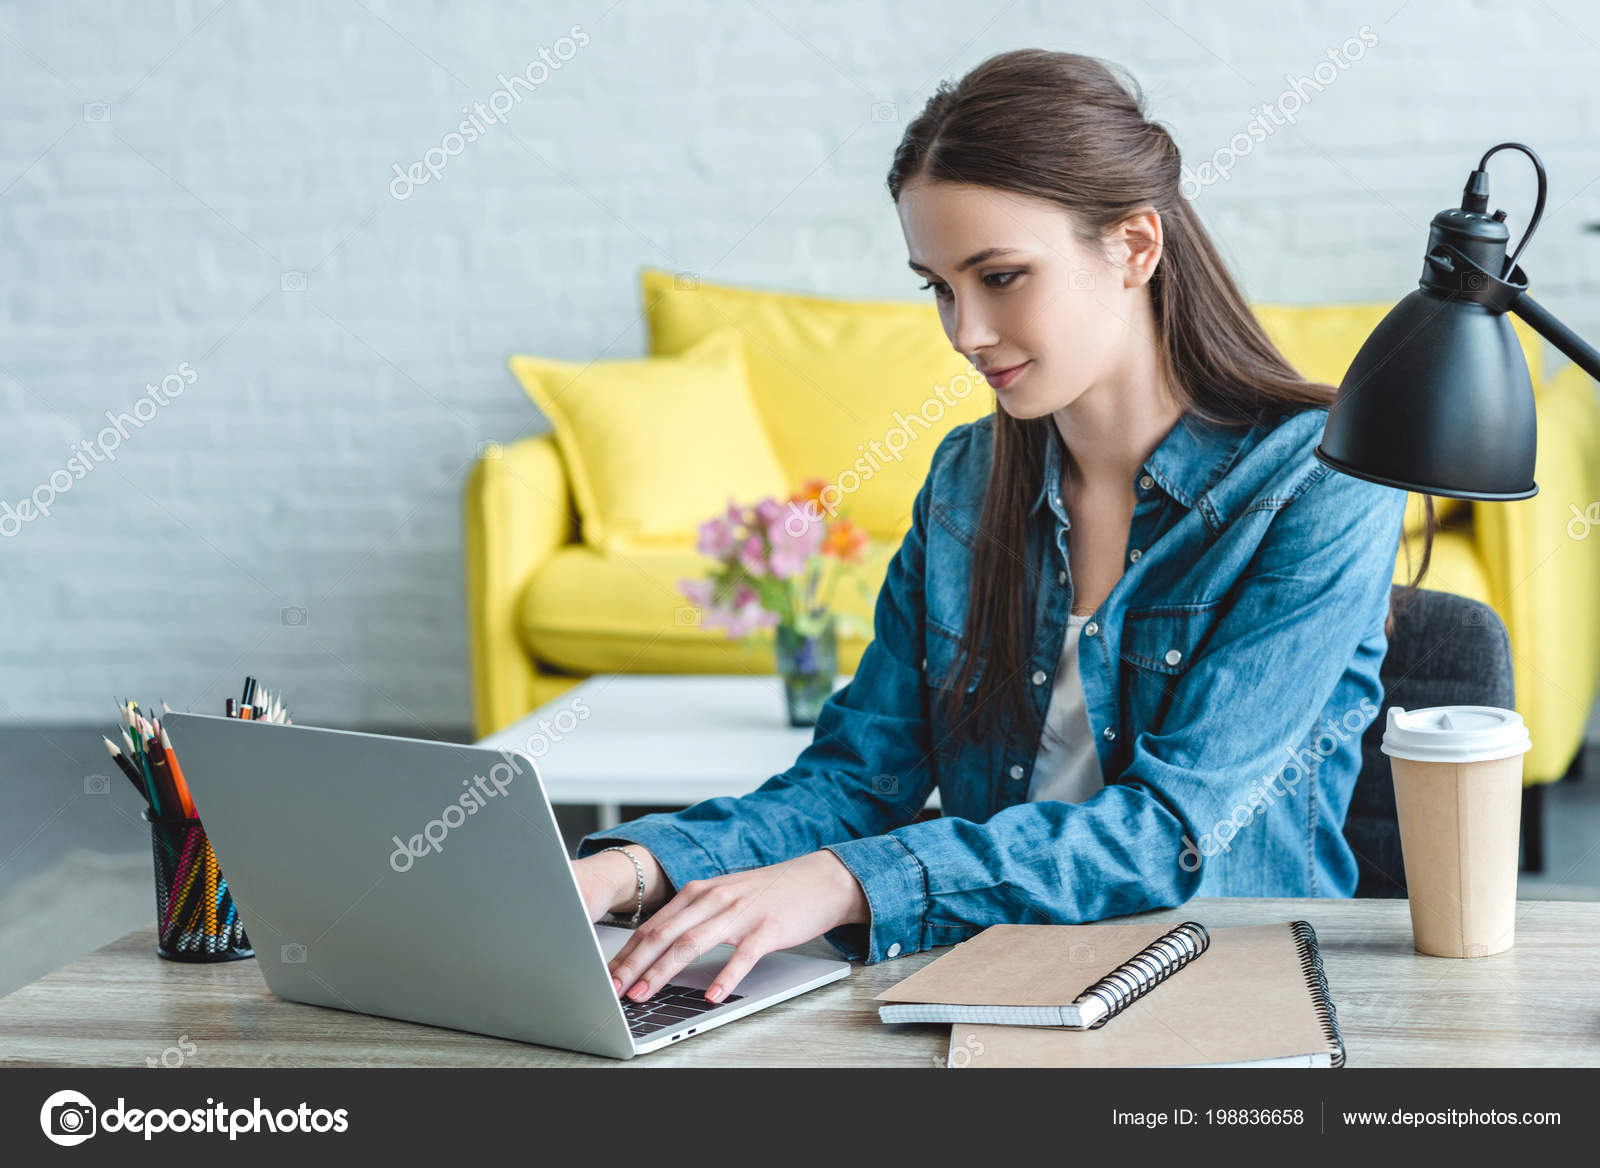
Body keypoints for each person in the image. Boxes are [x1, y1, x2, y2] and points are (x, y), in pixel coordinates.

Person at [569, 49, 1429, 1008]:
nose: (965, 331)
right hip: (988, 978)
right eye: (938, 287)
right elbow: (858, 777)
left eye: (1002, 276)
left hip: (1223, 989)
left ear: (1136, 246)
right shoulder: (966, 483)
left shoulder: (1316, 481)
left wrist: (847, 882)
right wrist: (628, 871)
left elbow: (1169, 830)